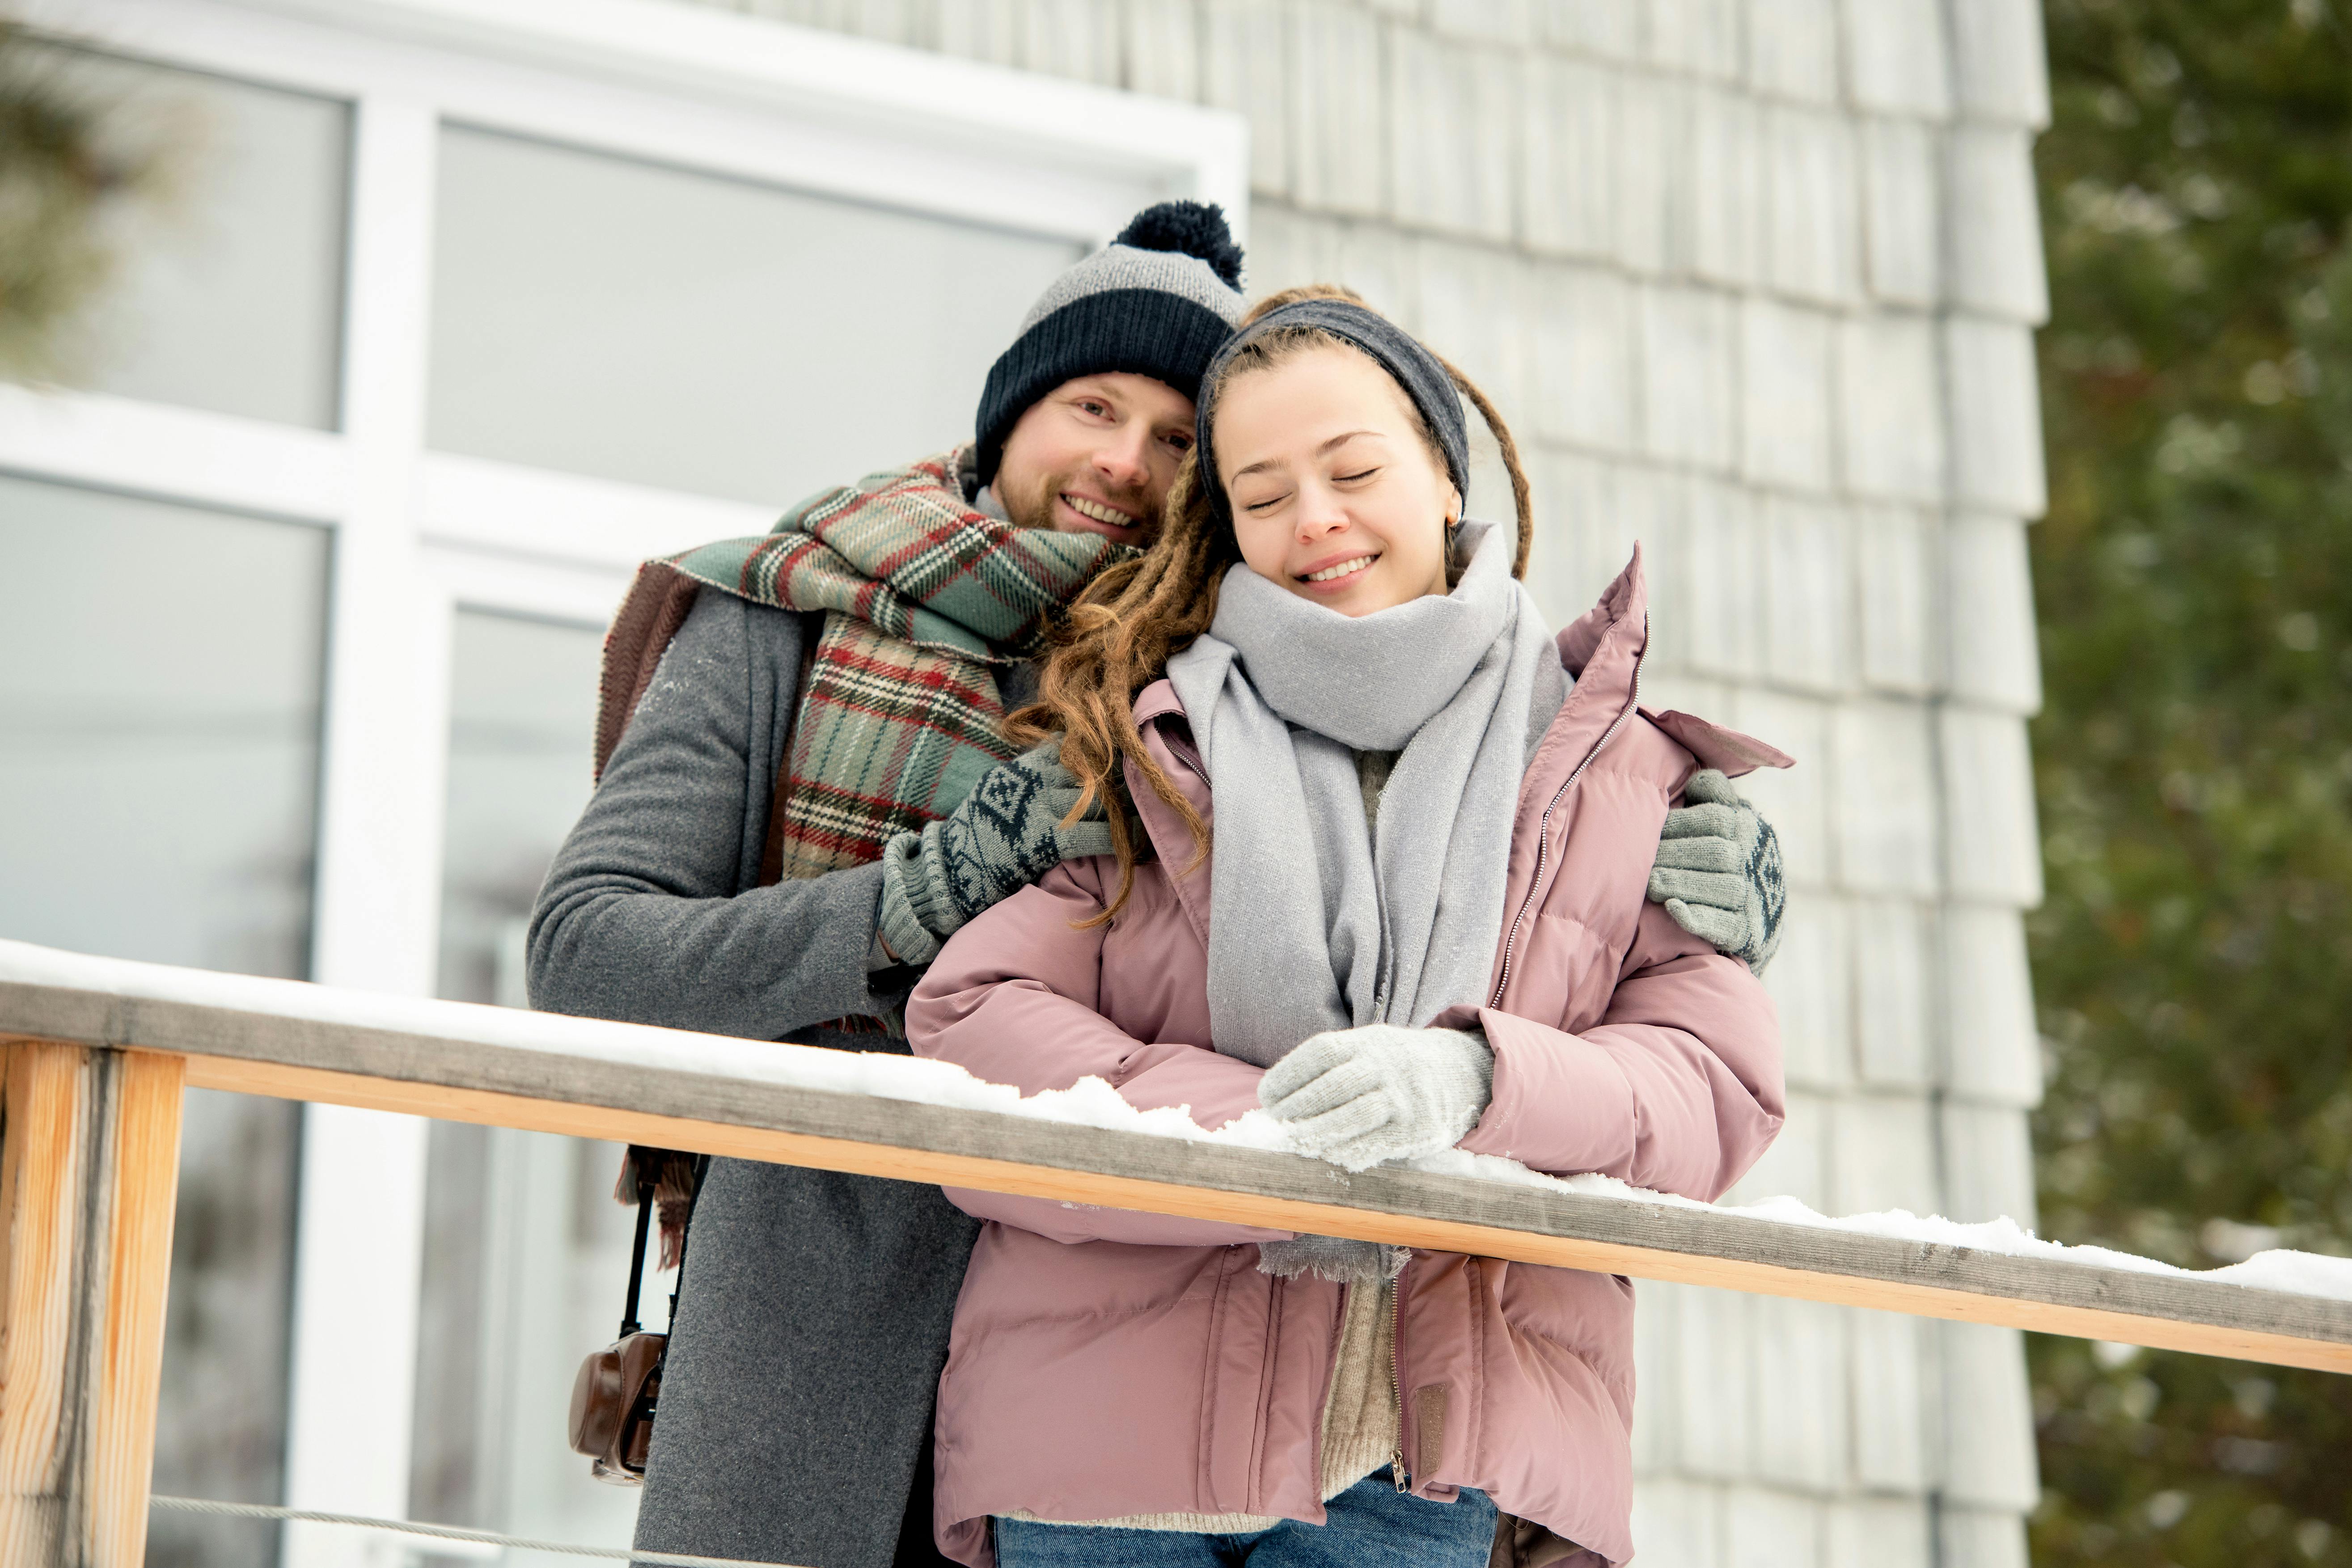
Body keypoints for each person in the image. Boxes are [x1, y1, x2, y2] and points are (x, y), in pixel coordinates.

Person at [530, 212, 1781, 1564]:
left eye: (1178, 440)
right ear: (1008, 414)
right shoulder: (787, 621)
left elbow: (1551, 882)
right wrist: (903, 904)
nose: (1125, 462)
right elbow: (592, 953)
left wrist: (1706, 869)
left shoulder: (1223, 689)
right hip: (833, 1340)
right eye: (1090, 405)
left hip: (1134, 1350)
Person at [903, 289, 1789, 1568]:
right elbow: (974, 1028)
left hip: (1419, 1458)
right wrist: (1267, 1135)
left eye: (1354, 470)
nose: (1313, 519)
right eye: (1261, 496)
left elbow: (1711, 1086)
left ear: (1441, 473)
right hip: (1104, 1434)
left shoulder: (1611, 765)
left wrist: (1476, 1081)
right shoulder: (1148, 745)